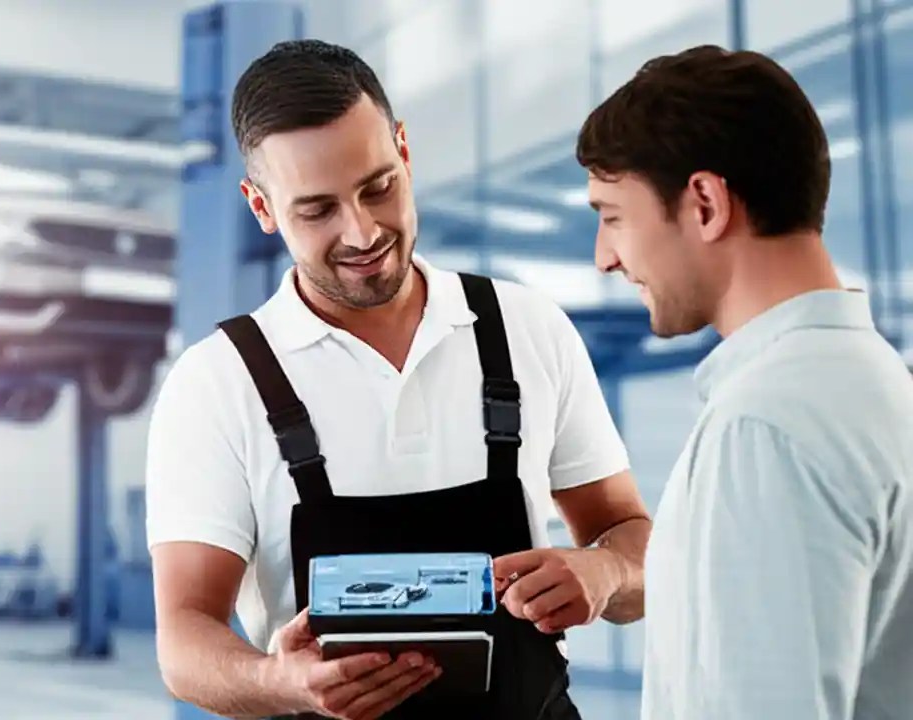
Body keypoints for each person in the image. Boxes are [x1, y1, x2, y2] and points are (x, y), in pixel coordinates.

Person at [146, 39, 651, 720]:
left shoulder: (527, 328)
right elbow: (183, 643)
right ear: (261, 207)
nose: (361, 232)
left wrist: (606, 571)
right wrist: (279, 683)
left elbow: (631, 538)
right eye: (317, 209)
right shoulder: (217, 384)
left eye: (378, 187)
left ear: (404, 150)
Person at [577, 44, 913, 719]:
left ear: (704, 202)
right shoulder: (874, 382)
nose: (605, 257)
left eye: (613, 216)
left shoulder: (765, 424)